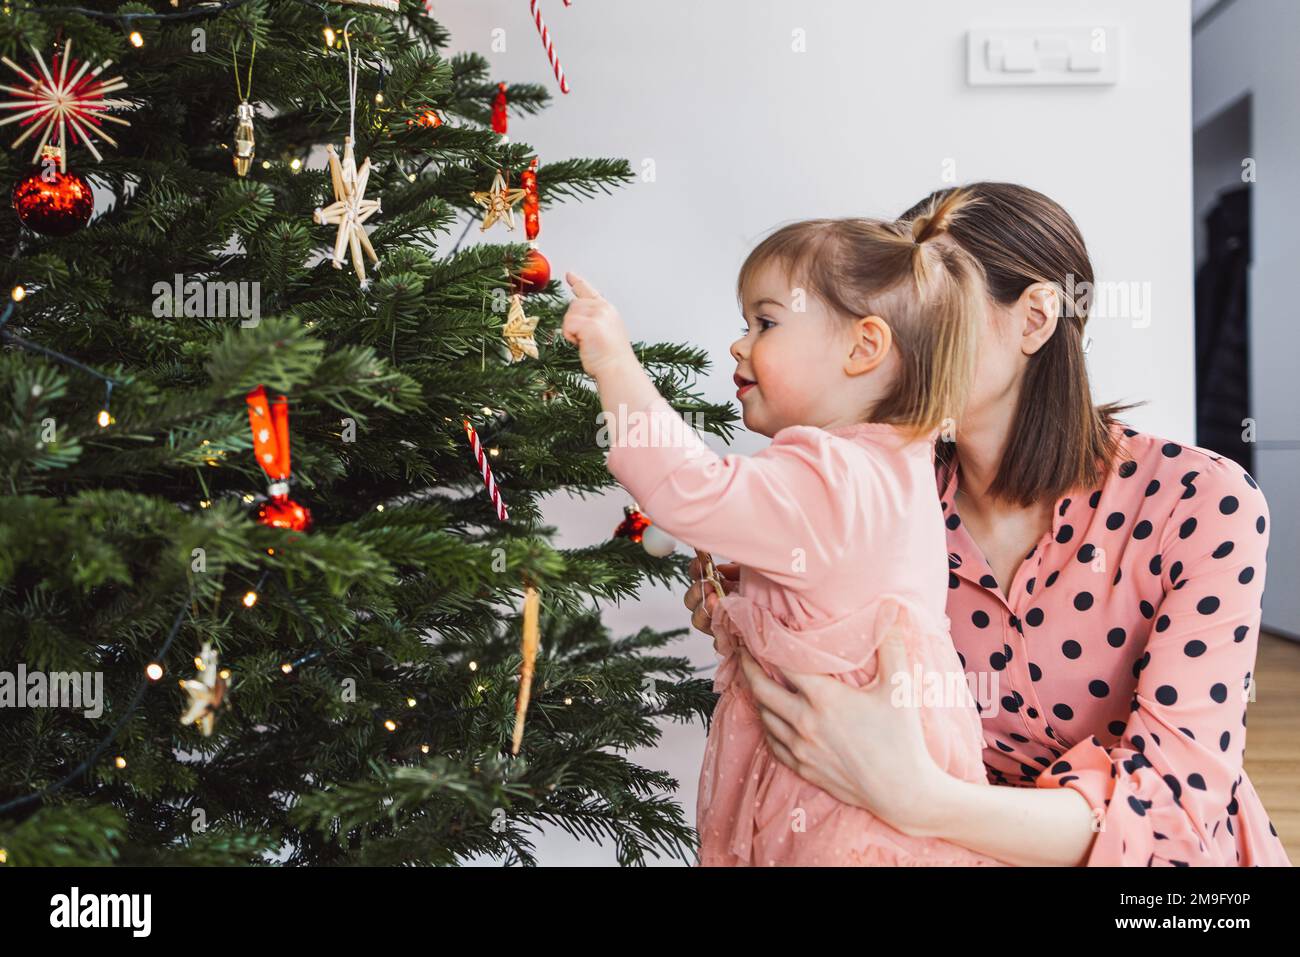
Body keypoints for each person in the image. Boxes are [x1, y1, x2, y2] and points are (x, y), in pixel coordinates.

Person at [685, 183, 1291, 867]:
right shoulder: (873, 502)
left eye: (932, 306)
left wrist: (917, 795)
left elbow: (1173, 814)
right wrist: (759, 611)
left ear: (1035, 318)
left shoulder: (1198, 501)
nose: (895, 335)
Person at [562, 189, 1008, 865]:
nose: (738, 344)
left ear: (863, 346)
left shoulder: (832, 472)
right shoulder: (887, 465)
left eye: (766, 323)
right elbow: (833, 590)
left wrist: (615, 364)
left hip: (841, 821)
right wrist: (758, 594)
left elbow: (690, 489)